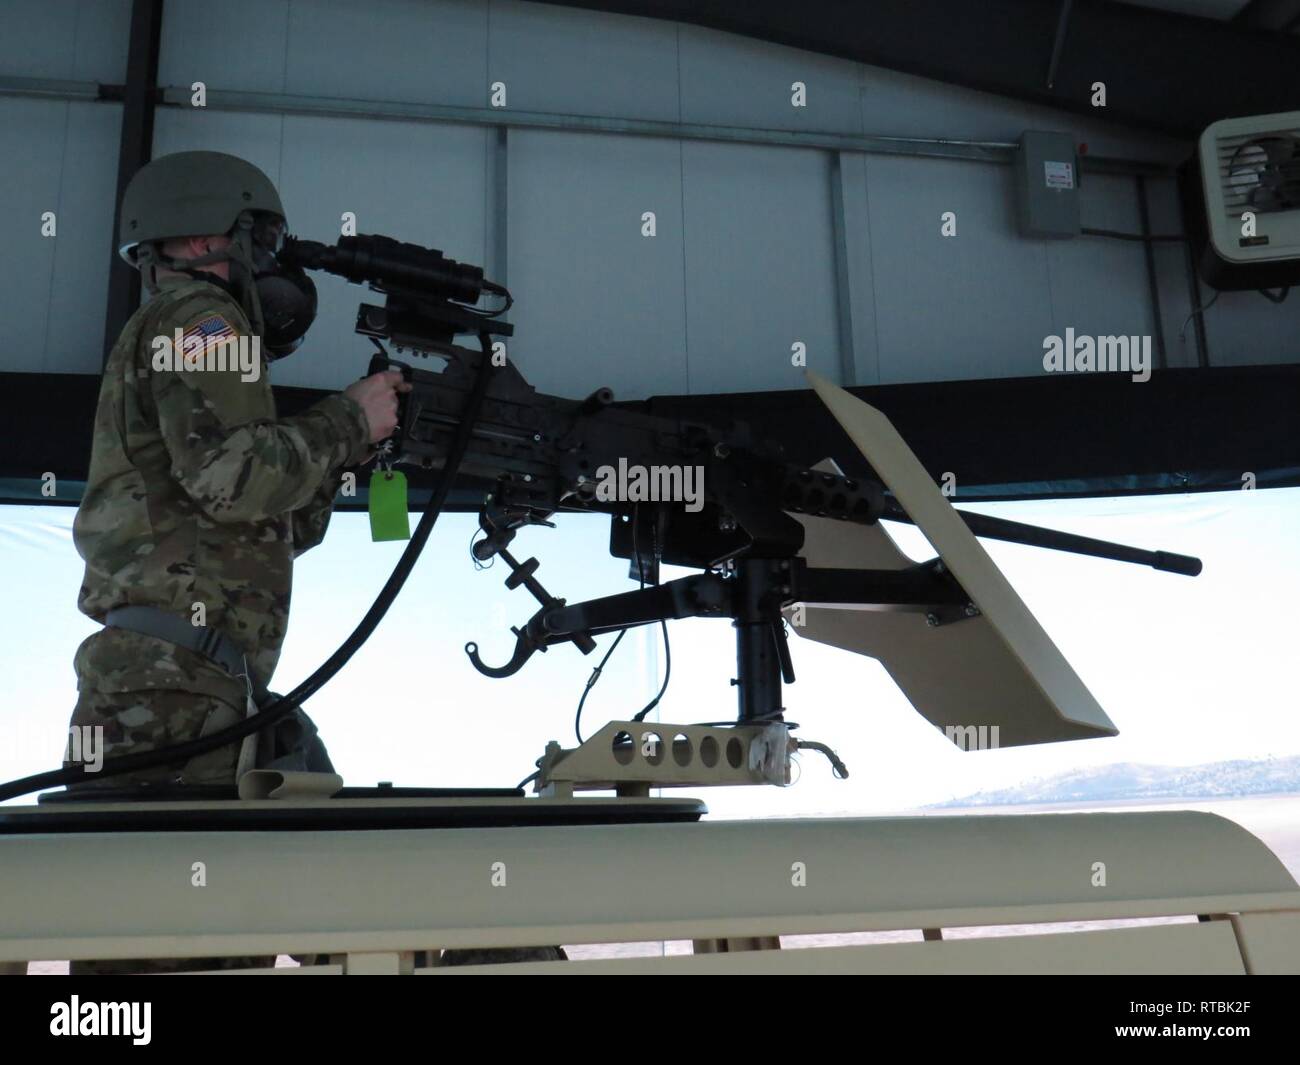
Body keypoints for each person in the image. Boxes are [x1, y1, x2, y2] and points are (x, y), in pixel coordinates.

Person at [64, 150, 406, 974]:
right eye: (263, 236)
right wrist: (346, 425)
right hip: (175, 692)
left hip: (181, 683)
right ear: (213, 231)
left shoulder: (184, 330)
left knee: (162, 943)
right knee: (169, 948)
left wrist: (361, 455)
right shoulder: (202, 322)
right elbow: (233, 477)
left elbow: (262, 521)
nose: (272, 261)